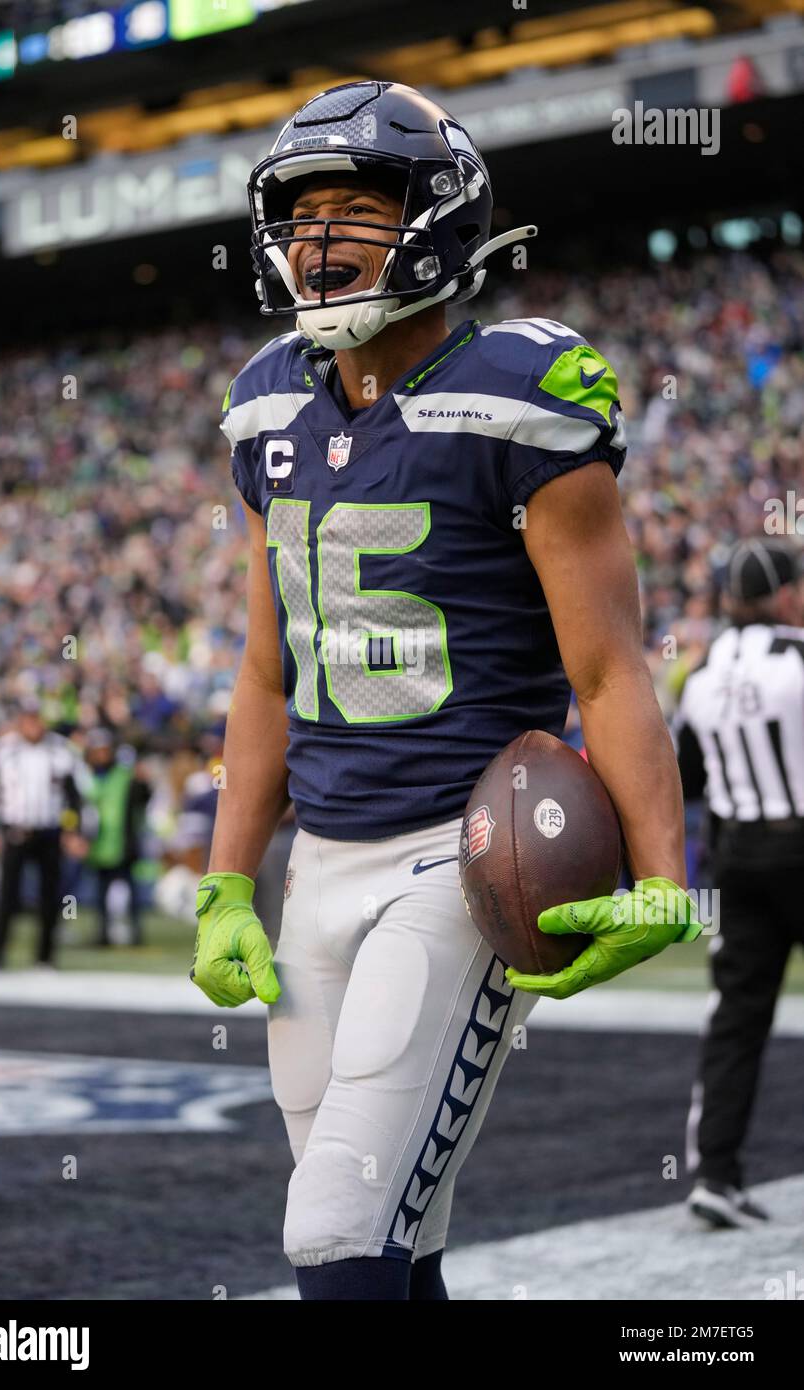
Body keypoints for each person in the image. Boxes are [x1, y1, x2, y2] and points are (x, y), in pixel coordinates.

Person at [191, 80, 701, 1301]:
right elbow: (268, 671)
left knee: (336, 1234)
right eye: (300, 212)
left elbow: (605, 664)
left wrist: (662, 877)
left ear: (435, 219)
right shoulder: (266, 397)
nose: (317, 240)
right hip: (319, 856)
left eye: (352, 210)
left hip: (461, 852)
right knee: (390, 1242)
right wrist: (223, 879)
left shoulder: (522, 389)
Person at [677, 537, 804, 1228]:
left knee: (734, 1021)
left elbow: (689, 781)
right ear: (785, 593)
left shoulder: (699, 674)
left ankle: (714, 1174)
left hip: (738, 860)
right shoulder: (799, 656)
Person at [0, 699, 87, 969]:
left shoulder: (60, 750)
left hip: (49, 831)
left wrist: (74, 831)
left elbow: (75, 796)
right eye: (28, 719)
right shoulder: (4, 750)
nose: (33, 725)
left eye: (37, 718)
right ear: (20, 720)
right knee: (6, 896)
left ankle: (45, 957)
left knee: (50, 896)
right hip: (16, 831)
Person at [83, 729, 151, 947]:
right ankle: (102, 933)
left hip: (123, 842)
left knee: (130, 891)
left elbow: (143, 798)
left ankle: (135, 932)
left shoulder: (125, 775)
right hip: (98, 844)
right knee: (100, 894)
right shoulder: (88, 776)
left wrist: (143, 781)